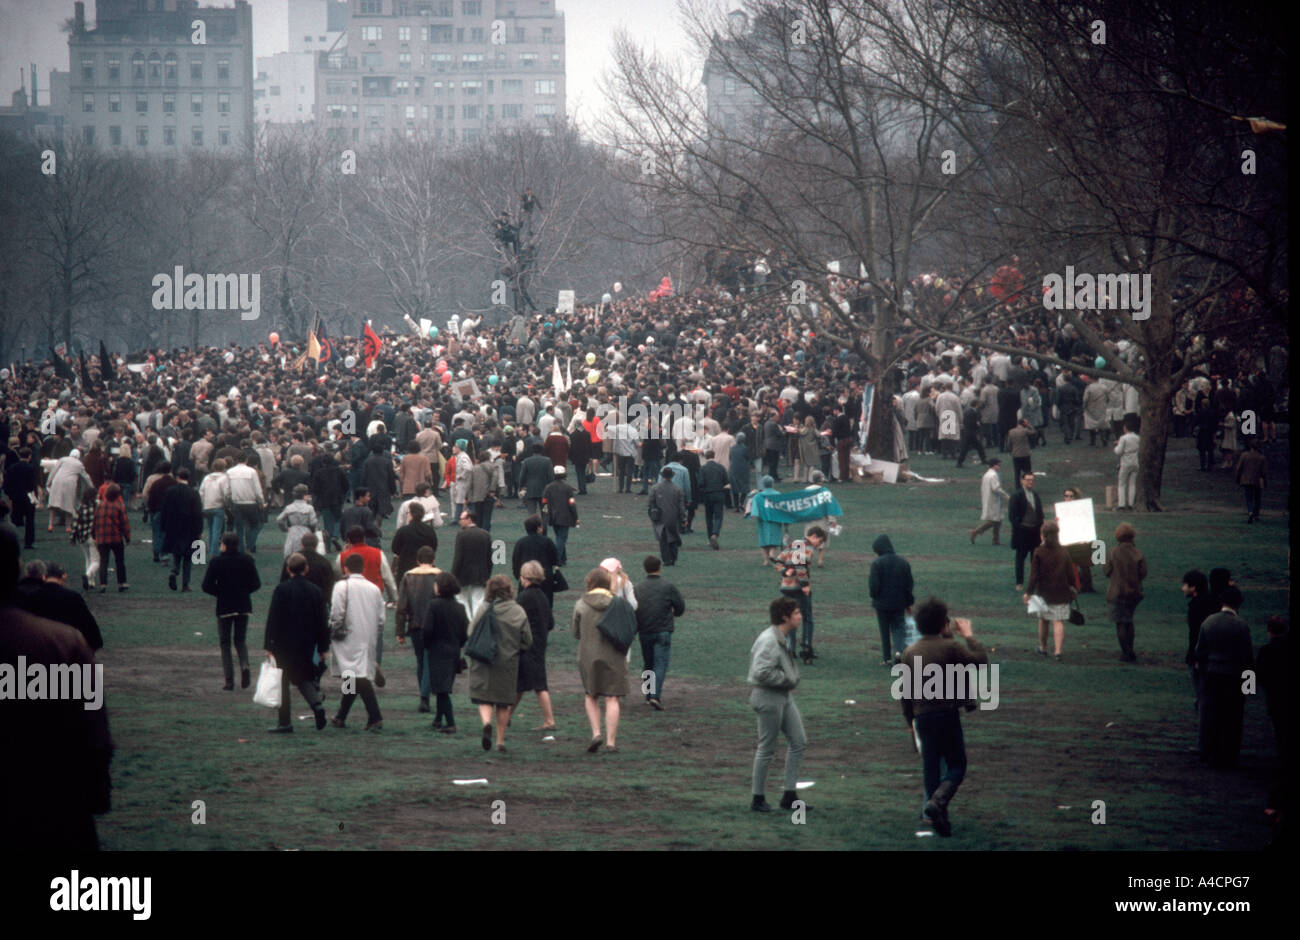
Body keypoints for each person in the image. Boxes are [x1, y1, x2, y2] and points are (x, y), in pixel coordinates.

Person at [0, 527, 114, 851]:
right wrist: (94, 793)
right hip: (54, 800)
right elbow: (95, 732)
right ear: (16, 569)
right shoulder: (63, 643)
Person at [899, 597, 988, 837]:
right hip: (946, 714)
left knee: (930, 767)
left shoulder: (910, 651)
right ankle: (939, 801)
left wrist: (910, 723)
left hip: (922, 717)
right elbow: (980, 661)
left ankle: (936, 816)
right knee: (957, 764)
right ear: (943, 624)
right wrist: (968, 635)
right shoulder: (950, 647)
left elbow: (905, 694)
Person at [747, 597, 808, 813]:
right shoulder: (769, 640)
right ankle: (757, 798)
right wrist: (786, 679)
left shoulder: (780, 636)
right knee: (766, 748)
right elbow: (760, 672)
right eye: (797, 613)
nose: (800, 616)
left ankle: (789, 796)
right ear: (785, 616)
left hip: (782, 696)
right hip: (768, 697)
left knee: (799, 741)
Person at [263, 552, 329, 732]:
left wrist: (268, 645)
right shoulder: (316, 591)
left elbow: (273, 618)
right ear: (306, 568)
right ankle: (317, 705)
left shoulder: (281, 589)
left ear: (288, 569)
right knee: (303, 677)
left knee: (283, 680)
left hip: (283, 642)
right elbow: (322, 621)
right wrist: (323, 647)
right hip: (307, 642)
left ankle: (284, 722)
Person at [468, 574, 532, 752]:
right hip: (508, 662)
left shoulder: (484, 608)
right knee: (503, 703)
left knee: (484, 698)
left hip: (484, 659)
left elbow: (470, 631)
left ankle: (486, 723)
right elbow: (527, 640)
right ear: (509, 590)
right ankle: (500, 741)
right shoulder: (518, 611)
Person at [572, 566, 630, 753]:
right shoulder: (618, 603)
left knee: (591, 695)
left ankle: (596, 733)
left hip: (588, 655)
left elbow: (575, 633)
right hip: (614, 655)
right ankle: (611, 741)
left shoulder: (581, 604)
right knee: (612, 698)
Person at [1194, 585, 1252, 768]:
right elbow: (1247, 657)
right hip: (1233, 677)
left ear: (1221, 602)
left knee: (1209, 715)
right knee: (1232, 717)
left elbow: (1199, 651)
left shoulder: (1209, 622)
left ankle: (1207, 751)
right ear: (1239, 604)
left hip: (1211, 675)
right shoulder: (1241, 625)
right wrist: (1249, 686)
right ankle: (1228, 755)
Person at [328, 553, 386, 731]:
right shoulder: (374, 589)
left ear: (346, 568)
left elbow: (337, 613)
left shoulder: (341, 586)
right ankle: (341, 715)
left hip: (347, 637)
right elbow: (381, 619)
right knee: (351, 675)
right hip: (367, 636)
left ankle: (375, 716)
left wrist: (332, 627)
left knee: (356, 676)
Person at [202, 532, 262, 690]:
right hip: (243, 605)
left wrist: (220, 593)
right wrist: (244, 591)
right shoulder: (247, 560)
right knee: (240, 640)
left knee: (225, 643)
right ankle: (244, 665)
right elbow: (256, 583)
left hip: (224, 606)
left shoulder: (216, 562)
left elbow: (206, 586)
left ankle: (229, 680)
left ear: (224, 544)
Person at [12, 559, 103, 651]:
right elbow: (91, 631)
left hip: (37, 651)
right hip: (65, 650)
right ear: (63, 576)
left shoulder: (31, 596)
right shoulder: (73, 597)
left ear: (44, 577)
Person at [633, 554, 685, 710]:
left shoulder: (638, 588)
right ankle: (655, 696)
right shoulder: (668, 586)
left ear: (645, 568)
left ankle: (648, 695)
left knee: (648, 664)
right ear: (659, 567)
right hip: (663, 631)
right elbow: (680, 607)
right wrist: (672, 614)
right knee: (660, 664)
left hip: (645, 631)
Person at [395, 544, 442, 713]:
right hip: (435, 626)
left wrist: (400, 631)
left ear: (417, 560)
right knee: (430, 660)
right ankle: (425, 696)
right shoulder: (441, 576)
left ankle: (423, 694)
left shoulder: (408, 576)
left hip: (415, 625)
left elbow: (401, 606)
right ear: (433, 560)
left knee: (421, 660)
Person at [423, 571, 469, 733]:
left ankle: (450, 723)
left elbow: (427, 629)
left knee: (441, 690)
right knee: (444, 686)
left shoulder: (434, 605)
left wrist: (427, 644)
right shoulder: (460, 607)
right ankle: (438, 719)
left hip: (437, 649)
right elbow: (465, 633)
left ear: (440, 587)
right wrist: (458, 644)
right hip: (454, 650)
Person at [1024, 520, 1076, 661]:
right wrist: (1073, 587)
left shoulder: (1038, 552)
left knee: (1043, 620)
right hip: (1061, 592)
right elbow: (1070, 573)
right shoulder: (1064, 552)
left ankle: (1043, 648)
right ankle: (1058, 651)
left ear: (1043, 535)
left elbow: (1033, 575)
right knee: (1058, 622)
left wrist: (1028, 592)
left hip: (1043, 593)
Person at [515, 560, 557, 730]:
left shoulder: (523, 597)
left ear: (525, 578)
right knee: (529, 684)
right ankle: (507, 716)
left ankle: (549, 720)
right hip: (541, 644)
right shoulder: (542, 596)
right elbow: (551, 623)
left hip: (526, 645)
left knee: (530, 685)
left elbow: (516, 620)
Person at [869, 533, 915, 666]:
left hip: (881, 604)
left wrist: (874, 596)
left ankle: (886, 658)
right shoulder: (903, 562)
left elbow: (874, 585)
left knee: (884, 630)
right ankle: (900, 652)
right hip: (899, 602)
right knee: (899, 628)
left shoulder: (877, 563)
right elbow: (909, 584)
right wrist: (909, 602)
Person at [1102, 522, 1146, 662]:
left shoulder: (1113, 552)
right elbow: (1143, 573)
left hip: (1117, 592)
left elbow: (1106, 571)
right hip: (1134, 593)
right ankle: (1131, 650)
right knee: (1129, 621)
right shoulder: (1138, 553)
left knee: (1120, 623)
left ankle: (1125, 653)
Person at [160, 467, 203, 591]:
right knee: (188, 557)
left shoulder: (170, 491)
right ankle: (185, 584)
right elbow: (197, 513)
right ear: (188, 478)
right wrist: (199, 530)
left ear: (178, 477)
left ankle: (174, 570)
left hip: (173, 527)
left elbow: (165, 510)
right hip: (189, 528)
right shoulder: (193, 493)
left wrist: (164, 526)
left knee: (176, 552)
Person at [451, 509, 493, 620]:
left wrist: (453, 574)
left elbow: (458, 557)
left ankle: (467, 622)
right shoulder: (485, 534)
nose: (460, 521)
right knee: (478, 600)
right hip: (481, 573)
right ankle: (477, 624)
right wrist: (487, 573)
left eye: (462, 519)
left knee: (461, 599)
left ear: (469, 520)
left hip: (463, 573)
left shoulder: (461, 535)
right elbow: (489, 558)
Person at [1256, 615, 1287, 761]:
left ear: (1269, 630)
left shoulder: (1266, 650)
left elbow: (1260, 674)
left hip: (1275, 695)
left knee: (1280, 729)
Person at [1008, 471, 1044, 591]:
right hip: (1022, 533)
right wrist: (1020, 527)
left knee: (1035, 560)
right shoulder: (1016, 495)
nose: (1030, 482)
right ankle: (1019, 583)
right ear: (1022, 481)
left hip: (1035, 532)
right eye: (1028, 480)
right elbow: (1012, 516)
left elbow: (1040, 513)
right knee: (1020, 558)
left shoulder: (1035, 495)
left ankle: (1034, 583)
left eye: (1032, 480)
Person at [92, 482, 130, 593]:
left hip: (102, 538)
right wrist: (127, 537)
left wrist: (94, 535)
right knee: (119, 561)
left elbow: (95, 522)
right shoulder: (119, 506)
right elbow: (124, 523)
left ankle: (103, 585)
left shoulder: (99, 506)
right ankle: (121, 583)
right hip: (116, 538)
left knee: (103, 561)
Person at [226, 452, 266, 554]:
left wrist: (228, 502)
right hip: (251, 503)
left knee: (239, 529)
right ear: (246, 460)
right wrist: (261, 502)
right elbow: (257, 489)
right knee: (254, 526)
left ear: (235, 460)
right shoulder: (252, 471)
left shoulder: (230, 472)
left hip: (237, 503)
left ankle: (241, 550)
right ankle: (249, 546)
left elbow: (227, 490)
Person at [390, 502, 439, 581]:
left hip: (405, 567)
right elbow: (434, 547)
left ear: (411, 514)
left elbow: (395, 548)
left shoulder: (403, 530)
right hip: (425, 566)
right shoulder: (429, 530)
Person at [541, 465, 579, 566]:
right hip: (565, 517)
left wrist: (545, 517)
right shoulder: (568, 488)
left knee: (559, 537)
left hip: (553, 517)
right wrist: (576, 518)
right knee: (561, 538)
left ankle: (563, 559)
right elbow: (572, 504)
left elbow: (544, 503)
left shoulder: (548, 487)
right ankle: (556, 560)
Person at [648, 466, 685, 566]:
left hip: (659, 518)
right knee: (673, 537)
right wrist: (683, 518)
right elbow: (681, 506)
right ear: (672, 476)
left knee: (663, 540)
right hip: (673, 517)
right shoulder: (678, 489)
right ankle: (673, 557)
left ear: (662, 476)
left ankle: (666, 560)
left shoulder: (655, 488)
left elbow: (650, 503)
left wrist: (651, 515)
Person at [970, 458, 1007, 545]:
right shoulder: (993, 475)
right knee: (994, 520)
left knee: (998, 519)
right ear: (994, 465)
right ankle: (976, 531)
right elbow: (996, 488)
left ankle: (995, 540)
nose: (999, 467)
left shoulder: (987, 474)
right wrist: (1006, 495)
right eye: (998, 465)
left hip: (989, 498)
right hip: (993, 500)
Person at [698, 449, 730, 549]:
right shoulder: (720, 467)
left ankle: (709, 538)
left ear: (706, 457)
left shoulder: (703, 468)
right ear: (714, 456)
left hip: (707, 495)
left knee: (708, 517)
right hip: (719, 494)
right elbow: (726, 482)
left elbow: (700, 483)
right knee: (718, 517)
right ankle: (715, 534)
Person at [199, 457, 232, 555]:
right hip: (218, 506)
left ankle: (211, 549)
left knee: (211, 530)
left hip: (207, 506)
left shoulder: (207, 478)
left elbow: (201, 492)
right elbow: (226, 493)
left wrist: (204, 502)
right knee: (217, 531)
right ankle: (214, 553)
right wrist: (227, 505)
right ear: (224, 467)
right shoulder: (224, 478)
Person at [69, 487, 99, 590]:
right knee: (96, 561)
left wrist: (72, 537)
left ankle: (91, 582)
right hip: (93, 536)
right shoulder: (96, 507)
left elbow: (75, 524)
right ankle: (88, 575)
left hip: (82, 537)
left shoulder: (80, 508)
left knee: (88, 558)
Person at [276, 483, 318, 558]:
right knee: (305, 552)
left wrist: (285, 529)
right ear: (305, 494)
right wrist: (312, 530)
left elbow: (279, 520)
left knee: (290, 551)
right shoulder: (309, 508)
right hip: (305, 531)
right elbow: (313, 523)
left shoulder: (289, 507)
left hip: (293, 531)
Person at [751, 475, 783, 565]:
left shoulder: (758, 496)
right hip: (775, 520)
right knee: (774, 539)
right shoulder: (778, 495)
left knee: (763, 540)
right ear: (772, 484)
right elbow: (782, 509)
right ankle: (772, 553)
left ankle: (766, 560)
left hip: (762, 521)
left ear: (763, 485)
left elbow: (754, 512)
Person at [1235, 438, 1266, 523]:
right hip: (1257, 480)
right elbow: (1263, 472)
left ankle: (1250, 512)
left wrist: (1237, 478)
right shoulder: (1261, 457)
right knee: (1257, 498)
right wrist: (1264, 481)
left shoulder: (1244, 455)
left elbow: (1239, 468)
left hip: (1246, 479)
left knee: (1249, 497)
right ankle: (1256, 514)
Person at [1113, 417, 1140, 511]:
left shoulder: (1123, 438)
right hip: (1135, 462)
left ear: (1126, 428)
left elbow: (1118, 451)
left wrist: (1116, 445)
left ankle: (1121, 504)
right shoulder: (1137, 437)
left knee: (1122, 484)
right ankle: (1131, 504)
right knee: (1132, 484)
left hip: (1126, 462)